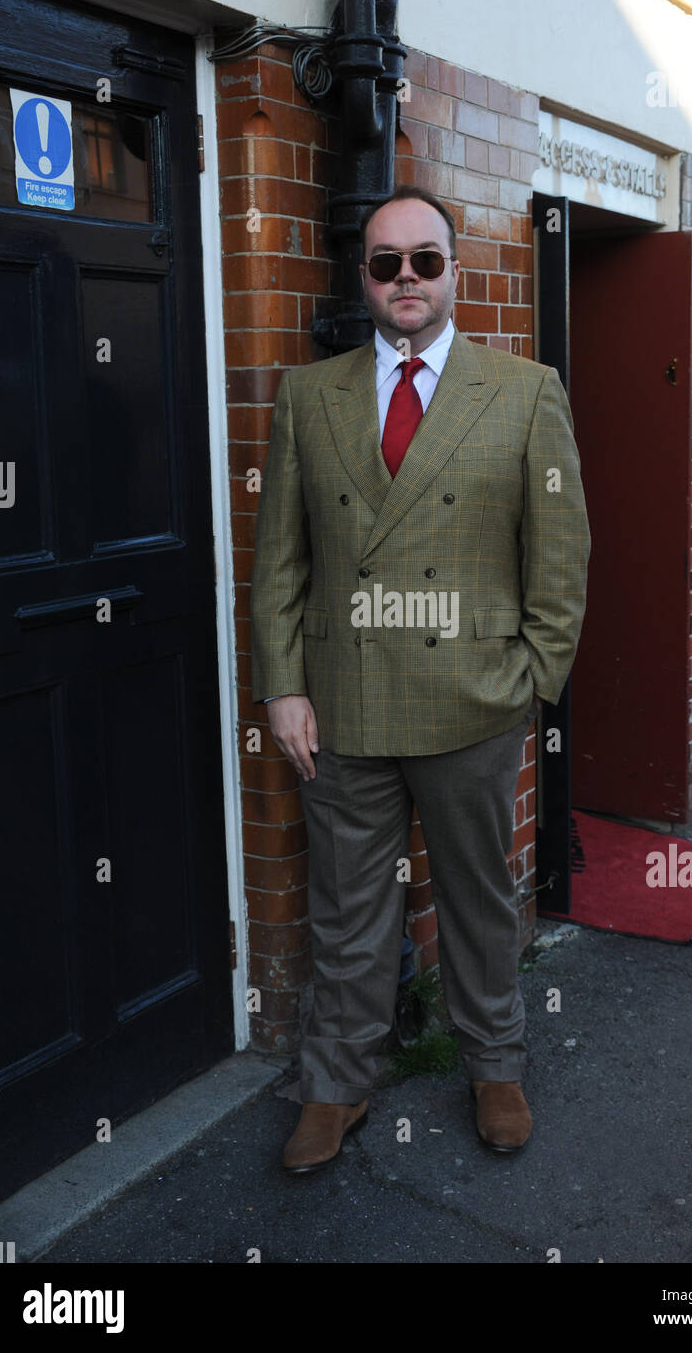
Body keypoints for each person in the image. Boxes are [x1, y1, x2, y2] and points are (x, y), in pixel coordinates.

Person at [250, 184, 590, 1174]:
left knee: (480, 902)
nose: (406, 279)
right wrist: (282, 686)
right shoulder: (309, 396)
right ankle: (336, 1081)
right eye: (386, 262)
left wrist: (530, 674)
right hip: (343, 702)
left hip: (471, 701)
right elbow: (282, 559)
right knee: (347, 909)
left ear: (456, 272)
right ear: (365, 277)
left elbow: (560, 554)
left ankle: (494, 1065)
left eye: (425, 261)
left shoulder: (525, 391)